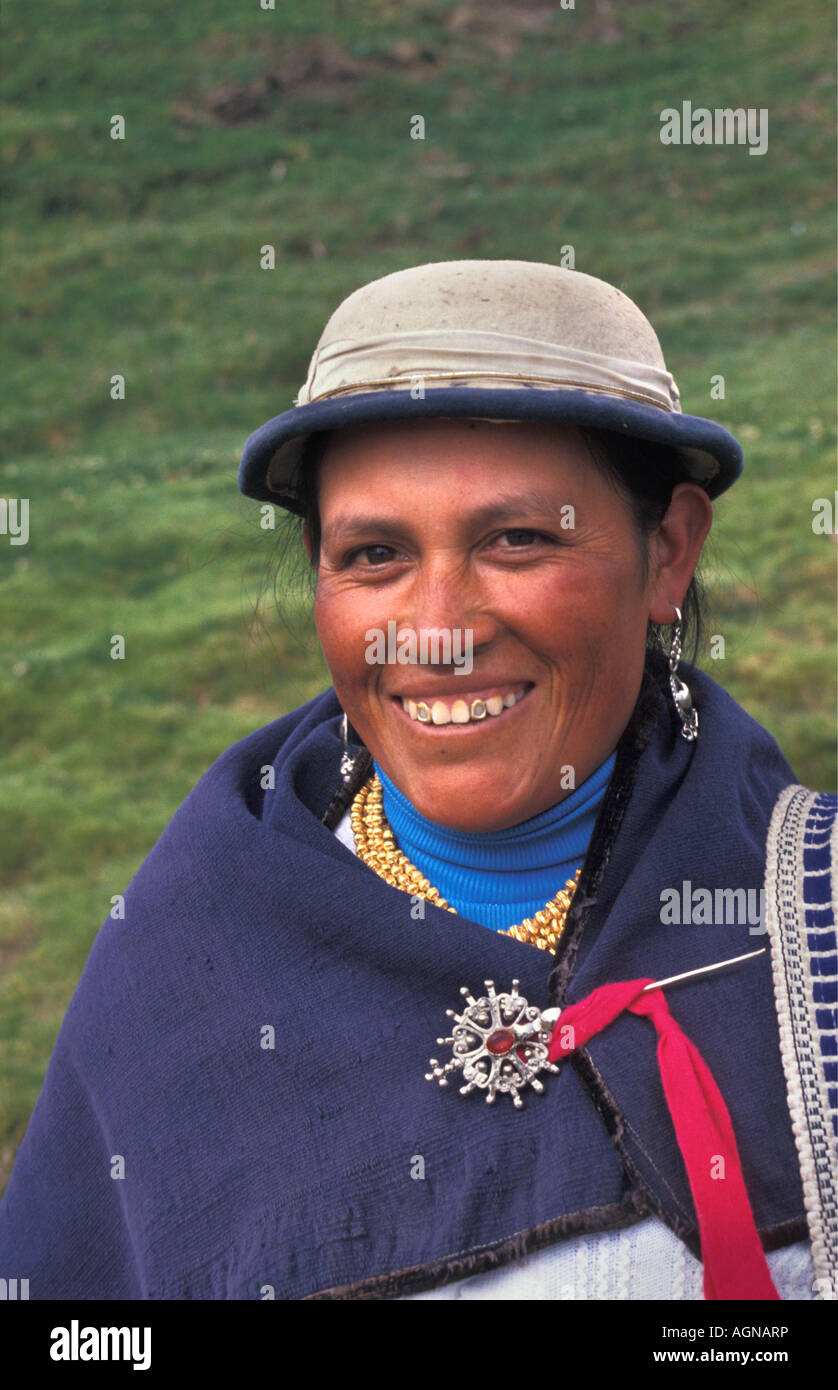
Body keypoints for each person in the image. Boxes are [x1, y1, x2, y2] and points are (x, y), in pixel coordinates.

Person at [1, 259, 835, 1301]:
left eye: (518, 539)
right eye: (374, 554)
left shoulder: (812, 930)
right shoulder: (180, 971)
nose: (436, 631)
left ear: (666, 550)